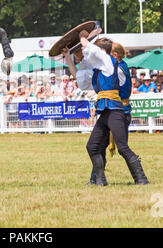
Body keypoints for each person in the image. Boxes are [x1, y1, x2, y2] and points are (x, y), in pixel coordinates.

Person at [62, 32, 148, 186]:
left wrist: (82, 37)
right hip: (107, 112)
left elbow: (92, 52)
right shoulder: (98, 71)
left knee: (122, 147)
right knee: (94, 146)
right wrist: (68, 56)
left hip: (117, 111)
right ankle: (99, 180)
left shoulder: (110, 64)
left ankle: (141, 179)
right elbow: (78, 76)